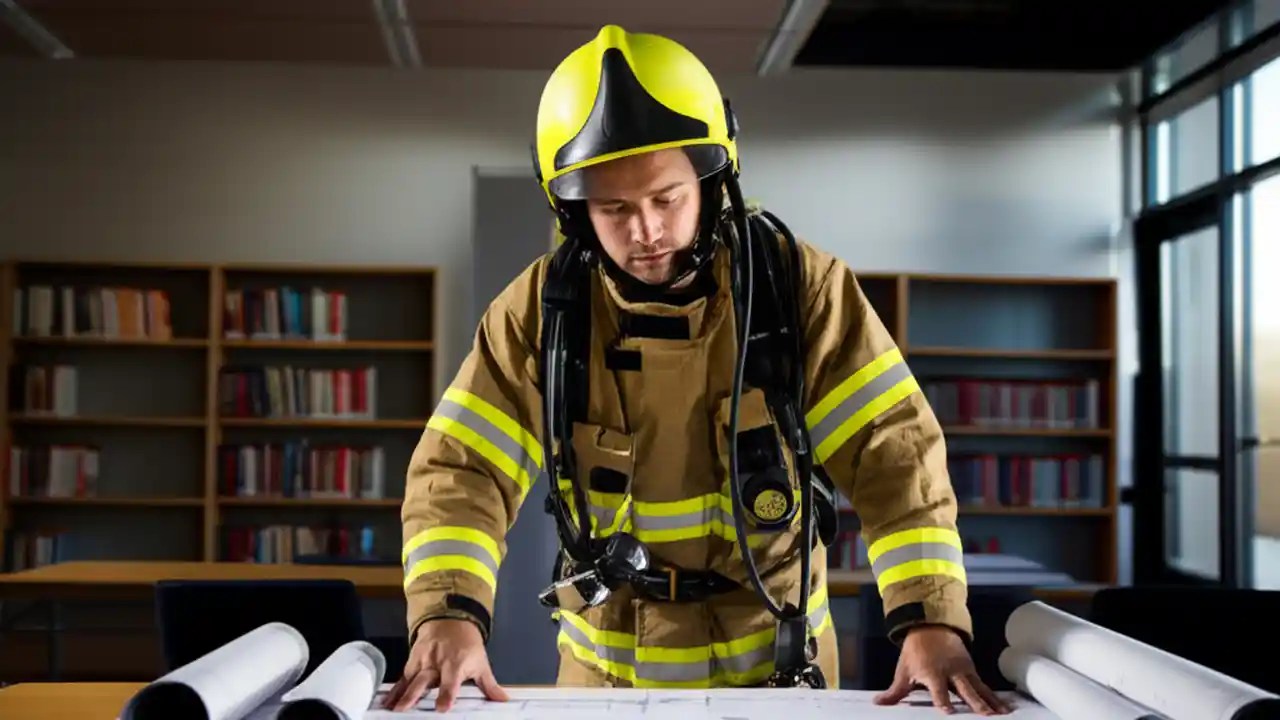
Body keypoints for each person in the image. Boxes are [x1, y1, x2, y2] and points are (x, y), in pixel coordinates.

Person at [383, 24, 1010, 716]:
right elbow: (463, 471)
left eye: (667, 198)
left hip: (778, 679)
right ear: (573, 209)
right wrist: (449, 614)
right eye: (614, 208)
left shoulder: (802, 292)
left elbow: (895, 458)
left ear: (714, 180)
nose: (645, 231)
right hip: (606, 688)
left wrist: (930, 621)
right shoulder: (541, 314)